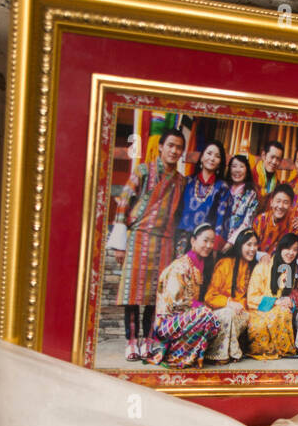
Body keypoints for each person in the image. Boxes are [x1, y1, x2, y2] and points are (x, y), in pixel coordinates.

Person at [109, 127, 186, 363]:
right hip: (139, 237)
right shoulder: (143, 171)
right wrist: (120, 244)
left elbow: (179, 215)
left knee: (156, 295)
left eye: (179, 147)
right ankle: (132, 341)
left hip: (165, 241)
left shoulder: (181, 181)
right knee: (133, 293)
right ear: (161, 147)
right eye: (170, 145)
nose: (174, 151)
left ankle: (150, 339)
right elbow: (123, 204)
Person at [151, 223, 220, 367]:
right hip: (168, 323)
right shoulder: (180, 266)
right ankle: (174, 353)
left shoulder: (201, 265)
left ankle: (186, 354)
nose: (208, 245)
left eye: (212, 242)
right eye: (205, 240)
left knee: (214, 319)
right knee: (207, 315)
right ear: (193, 241)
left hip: (186, 318)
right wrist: (201, 308)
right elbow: (175, 301)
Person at [204, 228, 258, 362]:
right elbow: (210, 296)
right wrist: (229, 302)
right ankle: (218, 354)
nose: (253, 249)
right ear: (240, 245)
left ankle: (230, 353)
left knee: (237, 315)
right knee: (229, 314)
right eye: (249, 244)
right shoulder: (225, 264)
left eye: (255, 245)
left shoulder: (254, 267)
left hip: (242, 311)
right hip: (221, 309)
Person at [246, 232, 298, 359]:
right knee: (261, 325)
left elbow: (287, 296)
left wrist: (289, 302)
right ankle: (277, 349)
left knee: (285, 311)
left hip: (277, 309)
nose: (291, 253)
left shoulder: (288, 271)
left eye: (295, 250)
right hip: (258, 309)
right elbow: (251, 298)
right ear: (280, 248)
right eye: (287, 248)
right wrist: (275, 302)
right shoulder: (262, 267)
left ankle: (284, 350)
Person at [174, 140, 230, 254]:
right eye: (209, 153)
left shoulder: (222, 187)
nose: (212, 158)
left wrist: (215, 245)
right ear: (202, 157)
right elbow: (178, 209)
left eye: (217, 156)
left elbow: (222, 218)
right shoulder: (188, 181)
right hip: (182, 238)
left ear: (220, 162)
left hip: (206, 243)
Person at [220, 154, 259, 254]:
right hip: (217, 239)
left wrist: (230, 242)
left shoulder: (251, 194)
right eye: (234, 166)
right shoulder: (222, 188)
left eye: (241, 166)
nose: (237, 170)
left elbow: (247, 222)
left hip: (236, 243)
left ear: (247, 170)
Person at [252, 182, 298, 254]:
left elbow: (297, 251)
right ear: (271, 202)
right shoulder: (260, 220)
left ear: (291, 206)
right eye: (278, 201)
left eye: (285, 202)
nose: (281, 206)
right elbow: (251, 246)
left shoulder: (293, 225)